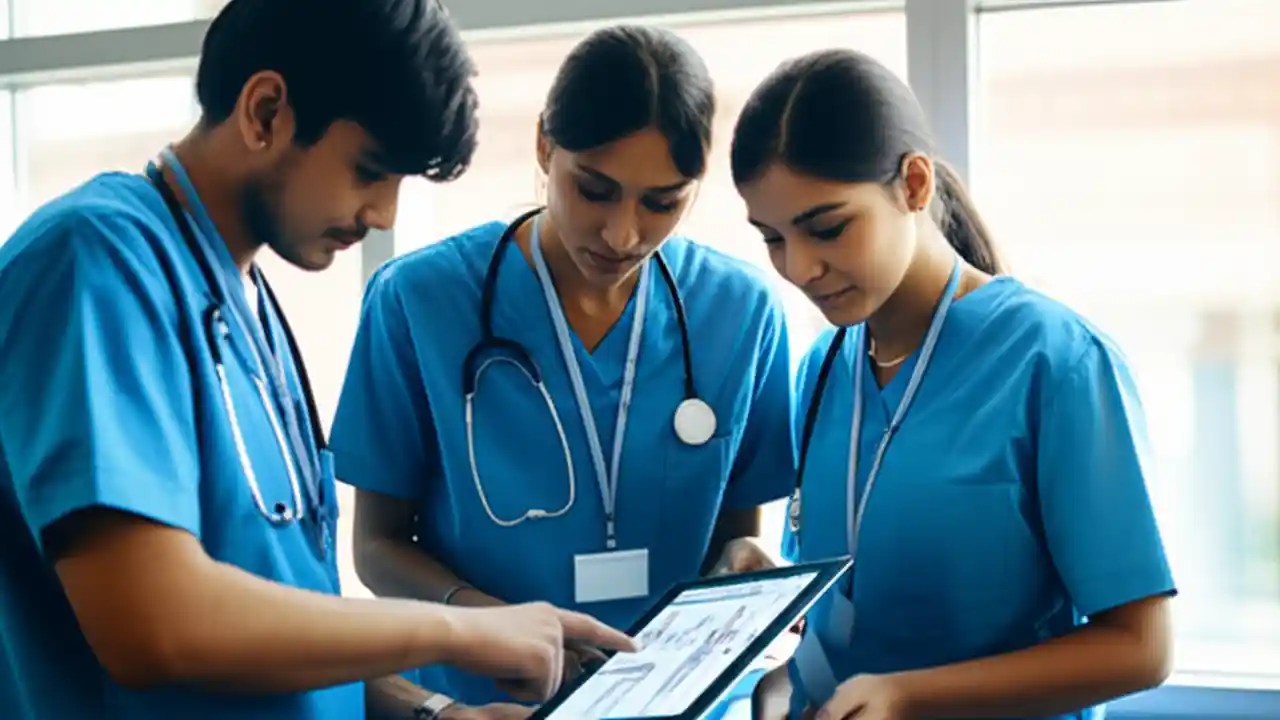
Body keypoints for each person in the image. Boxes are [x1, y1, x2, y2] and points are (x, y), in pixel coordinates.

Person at [0, 1, 634, 719]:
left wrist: (435, 714)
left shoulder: (250, 303)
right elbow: (153, 622)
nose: (385, 215)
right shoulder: (96, 264)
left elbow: (284, 616)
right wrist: (460, 630)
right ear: (265, 111)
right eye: (369, 171)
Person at [330, 23, 796, 709]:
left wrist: (743, 572)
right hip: (487, 701)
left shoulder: (741, 312)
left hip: (677, 702)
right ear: (545, 145)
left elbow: (737, 539)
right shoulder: (418, 302)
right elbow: (376, 545)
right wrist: (493, 623)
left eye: (662, 202)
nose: (623, 234)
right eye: (594, 189)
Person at [724, 49, 1177, 720]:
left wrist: (910, 697)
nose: (802, 269)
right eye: (773, 239)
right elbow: (860, 605)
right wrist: (779, 589)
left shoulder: (1055, 363)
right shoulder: (824, 367)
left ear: (913, 184)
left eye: (827, 229)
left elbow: (1141, 648)